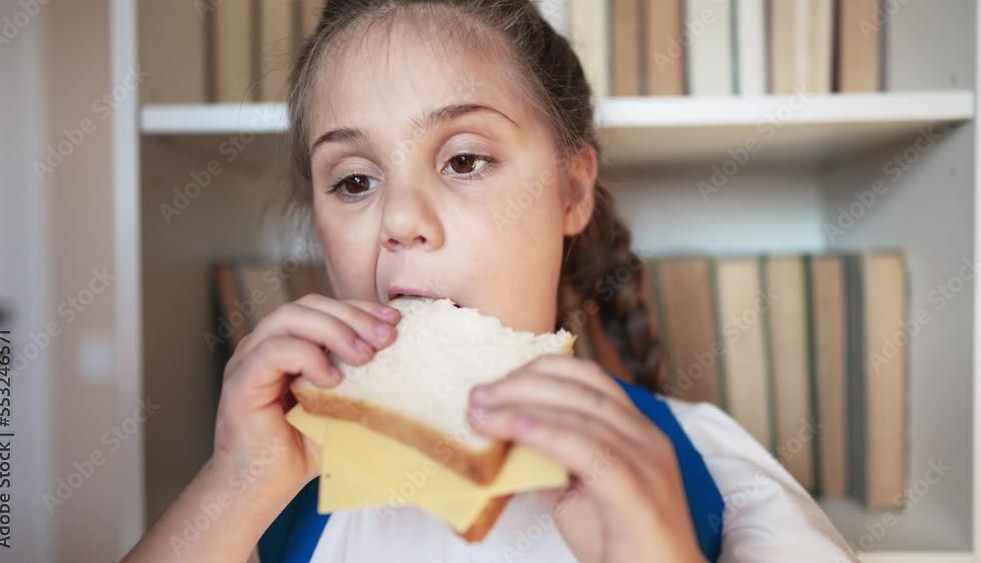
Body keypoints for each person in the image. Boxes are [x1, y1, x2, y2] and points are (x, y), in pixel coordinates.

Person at [122, 1, 856, 561]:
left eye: (464, 161)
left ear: (571, 193)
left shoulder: (711, 460)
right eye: (353, 180)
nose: (400, 219)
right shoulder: (276, 482)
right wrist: (236, 483)